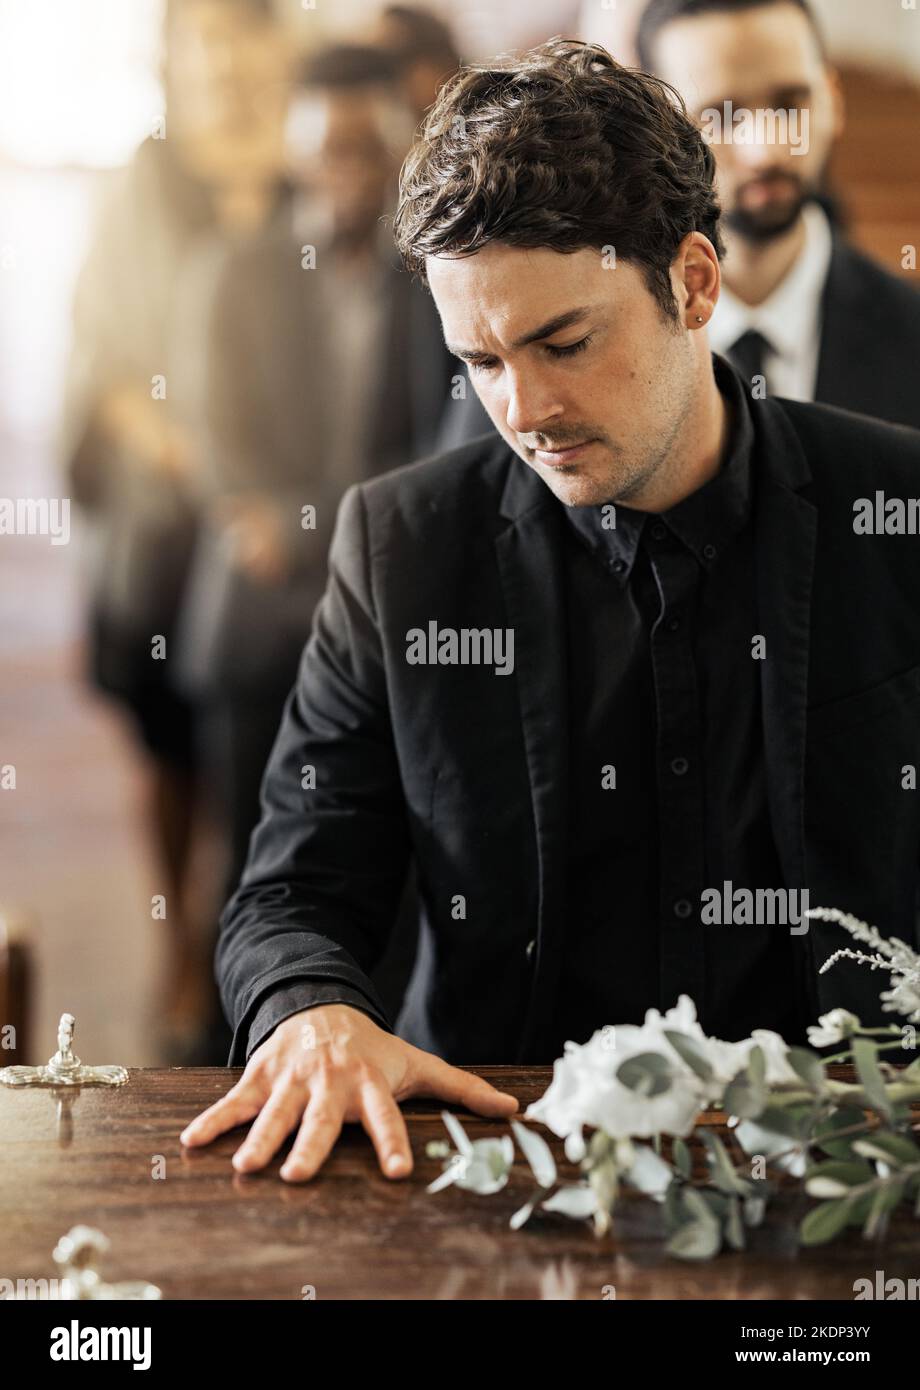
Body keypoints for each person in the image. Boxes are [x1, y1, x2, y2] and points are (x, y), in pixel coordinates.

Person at [180, 39, 920, 1186]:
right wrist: (307, 1010)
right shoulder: (400, 550)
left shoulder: (898, 511)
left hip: (849, 1167)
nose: (522, 409)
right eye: (476, 360)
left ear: (692, 283)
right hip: (499, 1164)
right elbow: (291, 888)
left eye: (562, 342)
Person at [174, 42, 456, 1059]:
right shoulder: (234, 272)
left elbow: (439, 451)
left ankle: (353, 1038)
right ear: (292, 148)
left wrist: (336, 524)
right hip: (256, 618)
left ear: (395, 147)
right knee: (253, 856)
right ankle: (222, 1050)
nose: (344, 166)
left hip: (382, 616)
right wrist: (349, 521)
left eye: (364, 144)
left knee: (373, 851)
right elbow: (223, 454)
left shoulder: (429, 279)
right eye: (325, 146)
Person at [60, 0, 295, 1056]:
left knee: (268, 756)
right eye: (205, 43)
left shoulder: (309, 161)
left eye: (243, 41)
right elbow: (102, 355)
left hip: (287, 514)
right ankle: (177, 953)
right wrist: (199, 460)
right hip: (169, 515)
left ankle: (257, 936)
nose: (226, 64)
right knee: (169, 744)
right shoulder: (145, 180)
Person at [634, 0, 920, 424]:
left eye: (790, 104)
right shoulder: (619, 343)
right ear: (660, 133)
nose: (765, 151)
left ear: (833, 101)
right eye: (720, 115)